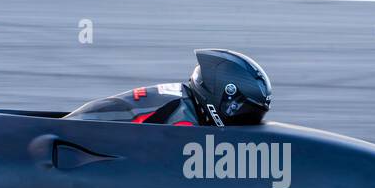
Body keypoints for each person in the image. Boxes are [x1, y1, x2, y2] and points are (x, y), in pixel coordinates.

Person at [65, 49, 272, 127]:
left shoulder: (188, 102)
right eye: (246, 113)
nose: (247, 121)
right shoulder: (183, 117)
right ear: (222, 94)